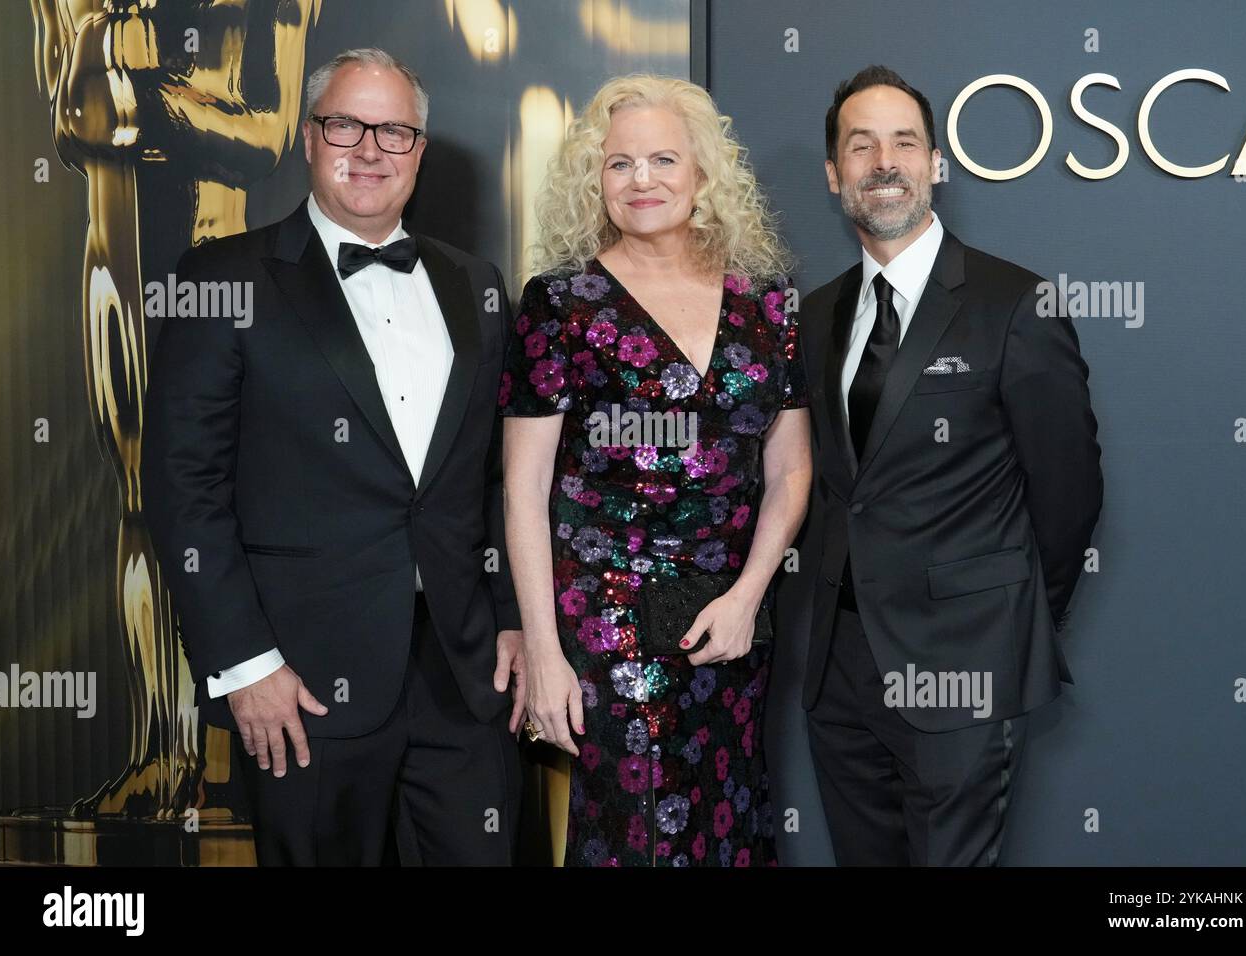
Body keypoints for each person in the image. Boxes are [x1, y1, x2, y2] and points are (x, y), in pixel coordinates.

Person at [142, 47, 525, 865]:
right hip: (301, 676)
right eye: (346, 123)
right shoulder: (223, 278)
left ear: (420, 150)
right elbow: (184, 489)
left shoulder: (476, 284)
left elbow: (492, 474)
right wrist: (245, 664)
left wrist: (516, 618)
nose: (369, 149)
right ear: (309, 138)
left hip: (462, 672)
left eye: (394, 131)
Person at [791, 65, 1102, 866]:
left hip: (966, 663)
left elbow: (1068, 496)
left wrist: (1006, 620)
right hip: (841, 668)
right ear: (834, 175)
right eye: (861, 146)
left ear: (936, 164)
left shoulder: (1016, 304)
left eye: (904, 142)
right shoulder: (816, 312)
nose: (883, 162)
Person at [500, 75, 811, 867]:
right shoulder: (560, 304)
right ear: (592, 181)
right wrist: (543, 652)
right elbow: (524, 490)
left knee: (726, 821)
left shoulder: (769, 302)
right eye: (619, 164)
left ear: (703, 173)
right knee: (637, 833)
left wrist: (747, 596)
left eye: (664, 158)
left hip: (731, 624)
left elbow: (790, 469)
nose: (643, 180)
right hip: (608, 620)